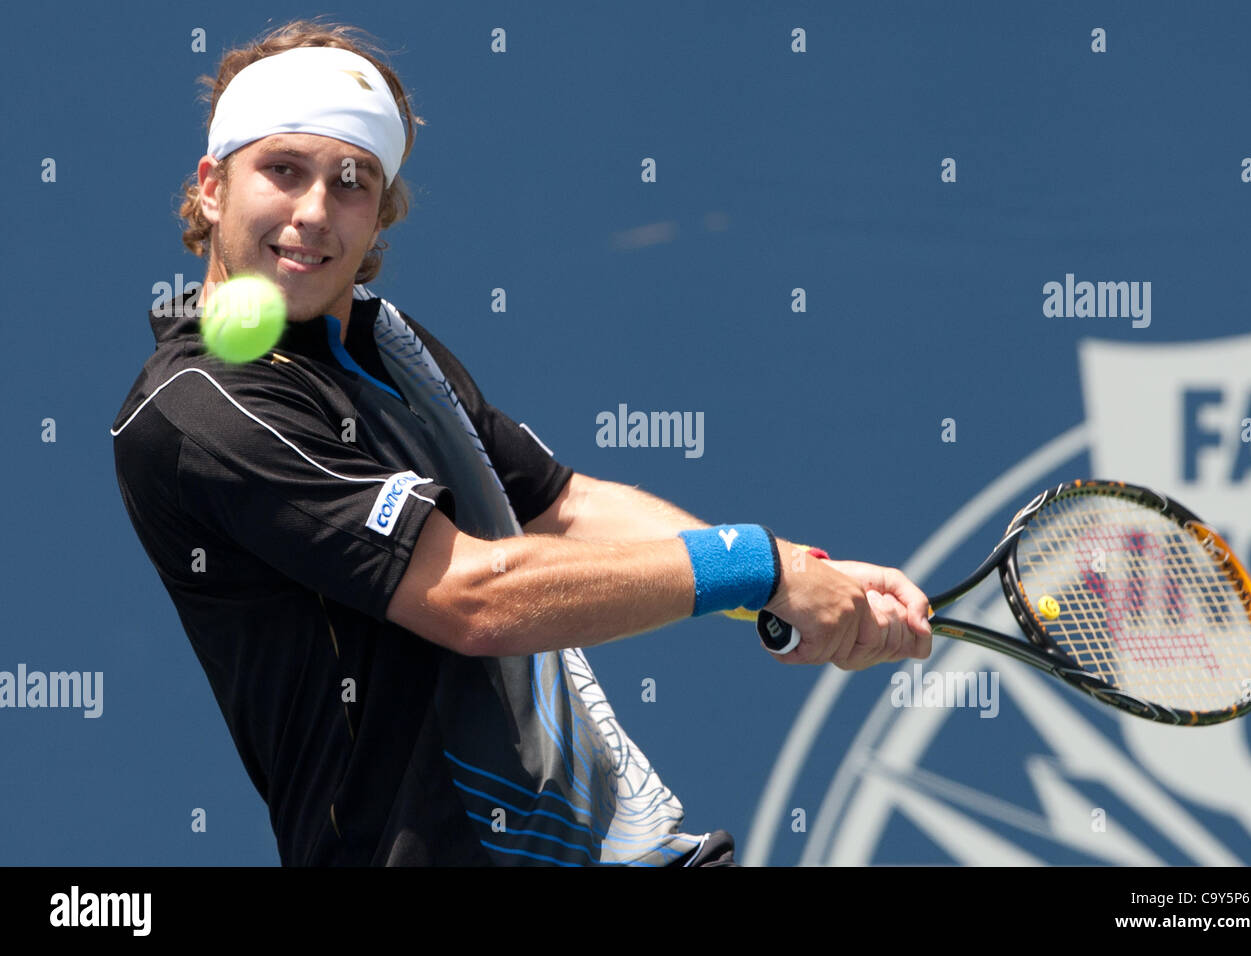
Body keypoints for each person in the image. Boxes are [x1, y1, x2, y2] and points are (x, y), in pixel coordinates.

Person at [110, 19, 933, 867]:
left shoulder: (382, 346)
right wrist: (753, 567)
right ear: (212, 187)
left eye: (351, 182)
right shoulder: (202, 409)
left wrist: (792, 575)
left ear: (380, 213)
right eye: (283, 171)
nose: (314, 211)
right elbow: (475, 599)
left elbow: (560, 509)